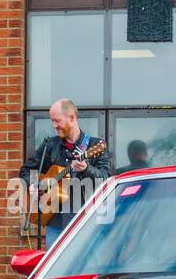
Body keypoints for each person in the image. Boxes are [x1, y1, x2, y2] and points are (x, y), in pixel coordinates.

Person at [17, 98, 113, 248]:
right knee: (56, 271)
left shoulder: (95, 146)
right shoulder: (50, 145)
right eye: (52, 121)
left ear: (72, 117)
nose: (54, 125)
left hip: (87, 222)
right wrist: (33, 184)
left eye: (57, 121)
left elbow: (106, 178)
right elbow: (26, 170)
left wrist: (86, 169)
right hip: (56, 223)